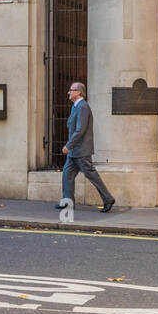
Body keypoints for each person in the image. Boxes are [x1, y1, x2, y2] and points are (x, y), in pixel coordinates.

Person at [56, 81, 116, 214]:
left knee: (92, 175)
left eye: (71, 90)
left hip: (81, 150)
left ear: (78, 92)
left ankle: (108, 199)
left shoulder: (83, 107)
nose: (69, 92)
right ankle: (68, 202)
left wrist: (68, 145)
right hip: (74, 152)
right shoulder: (76, 106)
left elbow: (80, 130)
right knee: (67, 175)